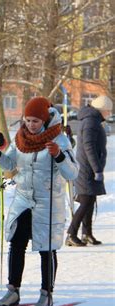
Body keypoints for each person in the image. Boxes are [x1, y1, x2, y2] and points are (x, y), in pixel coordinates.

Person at [0, 97, 78, 306]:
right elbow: (10, 165)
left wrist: (58, 155)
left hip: (48, 201)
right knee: (16, 243)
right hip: (23, 200)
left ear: (45, 119)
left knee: (46, 248)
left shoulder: (60, 140)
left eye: (35, 121)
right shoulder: (21, 138)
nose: (31, 124)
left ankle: (46, 294)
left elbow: (72, 173)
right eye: (27, 120)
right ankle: (13, 290)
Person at [66, 95, 111, 246]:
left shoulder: (93, 120)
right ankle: (71, 234)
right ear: (102, 110)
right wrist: (97, 169)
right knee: (85, 201)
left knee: (90, 200)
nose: (109, 114)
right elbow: (89, 147)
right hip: (87, 169)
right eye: (108, 111)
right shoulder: (91, 122)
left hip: (89, 167)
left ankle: (87, 234)